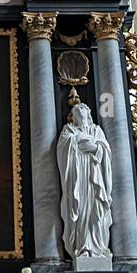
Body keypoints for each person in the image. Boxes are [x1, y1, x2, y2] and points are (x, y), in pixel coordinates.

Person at [56, 102, 113, 261]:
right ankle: (83, 247)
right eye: (77, 112)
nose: (81, 114)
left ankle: (97, 247)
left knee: (96, 210)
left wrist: (95, 148)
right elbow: (62, 149)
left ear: (88, 114)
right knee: (80, 209)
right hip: (77, 177)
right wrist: (76, 141)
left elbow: (105, 150)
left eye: (83, 111)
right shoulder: (69, 130)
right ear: (73, 117)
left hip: (95, 177)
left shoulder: (96, 130)